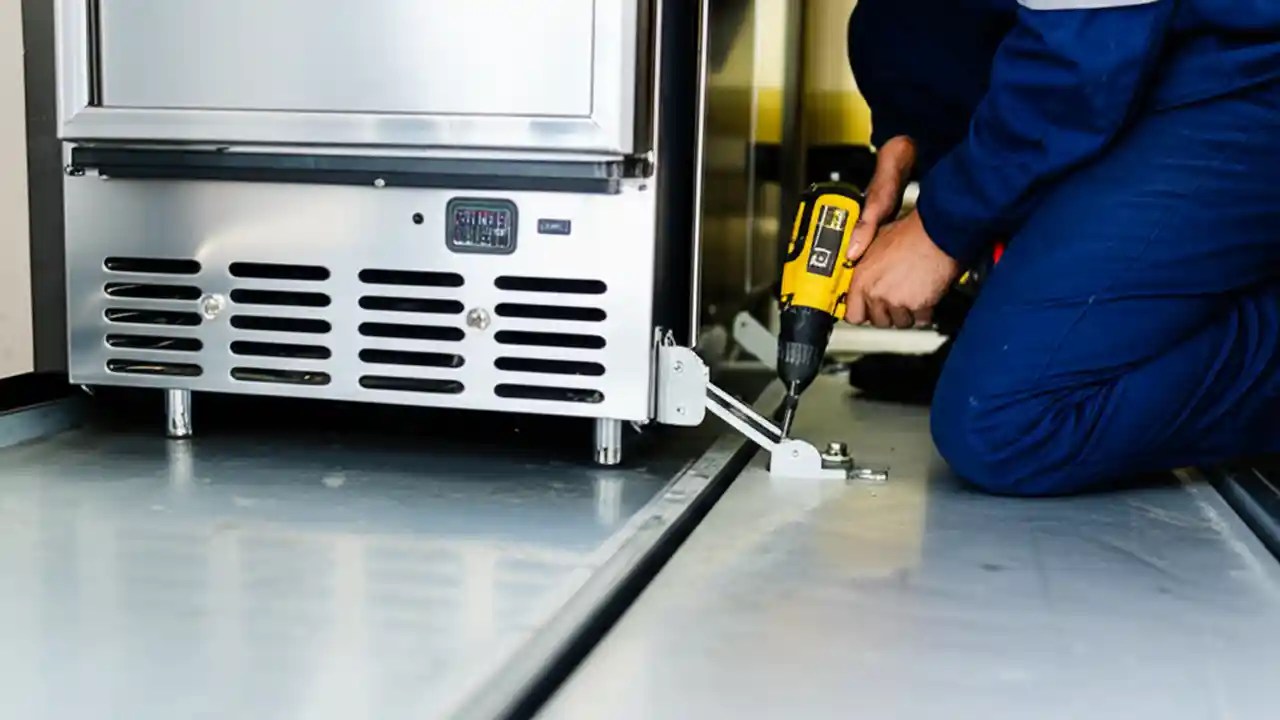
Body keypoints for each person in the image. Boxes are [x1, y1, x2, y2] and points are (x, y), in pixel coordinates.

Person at [842, 0, 1280, 496]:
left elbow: (1084, 50)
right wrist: (907, 131)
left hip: (1253, 63)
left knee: (1004, 422)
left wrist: (940, 228)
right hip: (1188, 45)